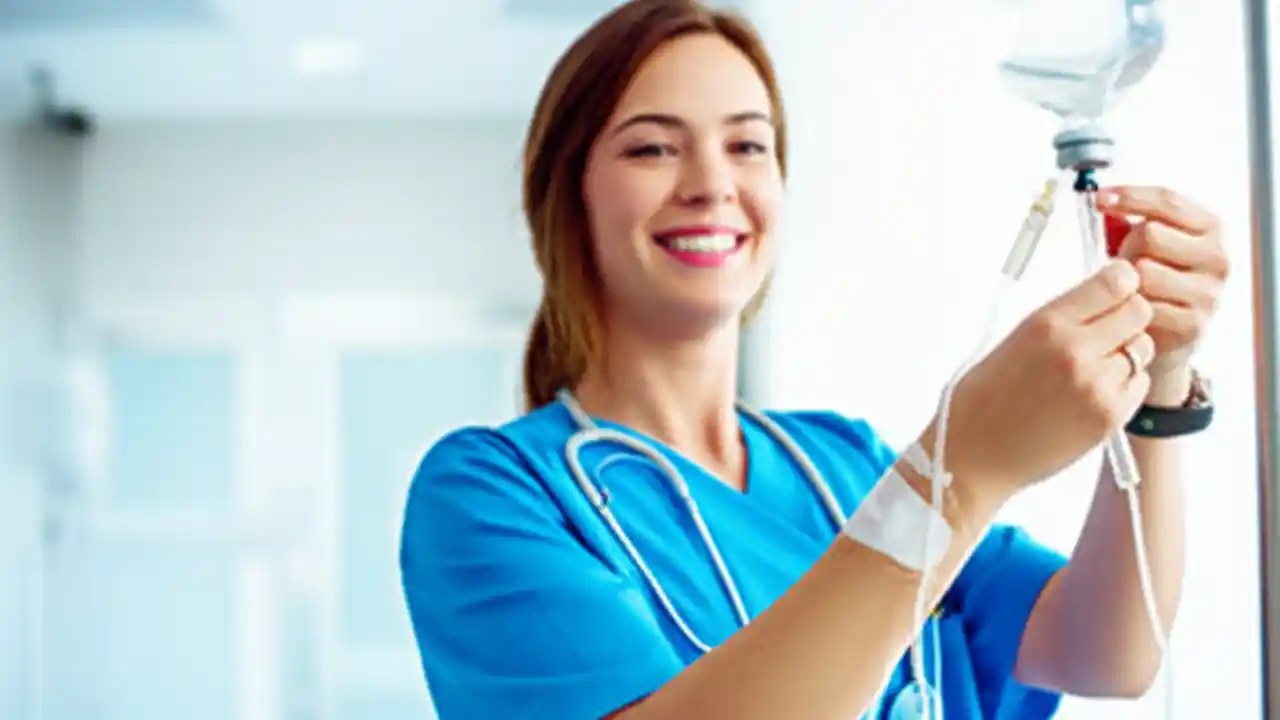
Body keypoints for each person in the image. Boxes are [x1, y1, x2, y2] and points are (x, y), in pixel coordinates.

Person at [398, 1, 1230, 718]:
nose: (711, 183)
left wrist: (1158, 385)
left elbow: (1109, 650)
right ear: (567, 195)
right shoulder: (492, 495)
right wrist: (961, 474)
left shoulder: (842, 465)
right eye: (653, 148)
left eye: (749, 146)